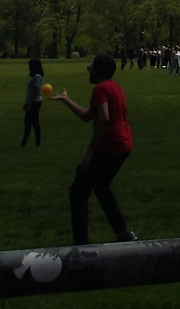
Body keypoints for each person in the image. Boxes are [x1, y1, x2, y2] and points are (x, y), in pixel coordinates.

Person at [54, 53, 136, 244]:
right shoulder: (113, 87)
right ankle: (123, 234)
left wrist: (89, 154)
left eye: (91, 66)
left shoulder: (100, 88)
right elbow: (87, 116)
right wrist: (66, 99)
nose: (88, 69)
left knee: (78, 192)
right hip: (124, 144)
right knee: (100, 187)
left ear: (98, 70)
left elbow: (104, 118)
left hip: (111, 146)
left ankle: (80, 243)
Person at [21, 58, 44, 148]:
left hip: (35, 102)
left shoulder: (37, 77)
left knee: (33, 122)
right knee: (29, 123)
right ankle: (25, 143)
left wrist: (29, 103)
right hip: (33, 101)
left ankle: (36, 143)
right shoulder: (36, 77)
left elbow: (36, 91)